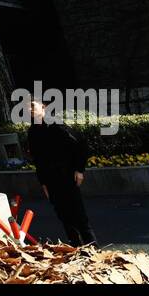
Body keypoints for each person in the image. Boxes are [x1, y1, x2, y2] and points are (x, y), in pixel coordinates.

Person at [25, 99, 96, 245]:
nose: (30, 109)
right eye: (27, 108)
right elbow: (37, 160)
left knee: (78, 214)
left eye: (33, 106)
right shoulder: (32, 132)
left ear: (43, 107)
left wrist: (79, 170)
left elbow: (81, 146)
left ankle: (93, 247)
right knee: (63, 215)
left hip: (67, 175)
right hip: (51, 180)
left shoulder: (57, 125)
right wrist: (43, 183)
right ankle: (76, 247)